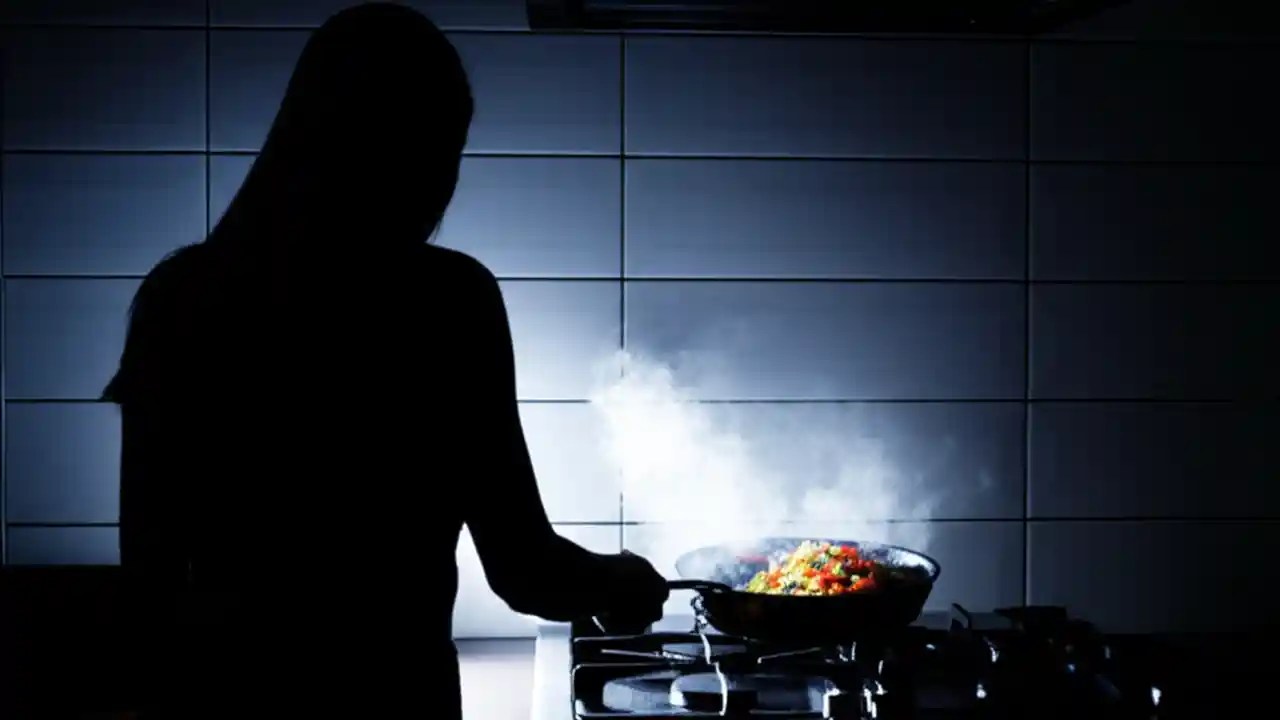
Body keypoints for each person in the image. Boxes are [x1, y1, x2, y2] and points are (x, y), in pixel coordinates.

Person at [101, 3, 669, 717]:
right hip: (396, 692)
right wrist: (621, 583)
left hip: (226, 694)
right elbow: (525, 570)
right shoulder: (448, 302)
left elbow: (147, 586)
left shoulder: (179, 297)